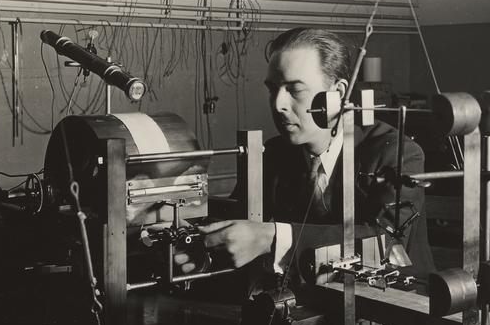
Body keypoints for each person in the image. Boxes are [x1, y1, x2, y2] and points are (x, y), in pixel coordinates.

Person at [176, 27, 434, 282]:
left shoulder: (396, 152)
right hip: (310, 300)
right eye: (273, 89)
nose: (278, 104)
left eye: (295, 90)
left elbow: (387, 242)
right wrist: (187, 229)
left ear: (338, 93)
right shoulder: (276, 153)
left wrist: (272, 237)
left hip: (396, 299)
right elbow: (236, 220)